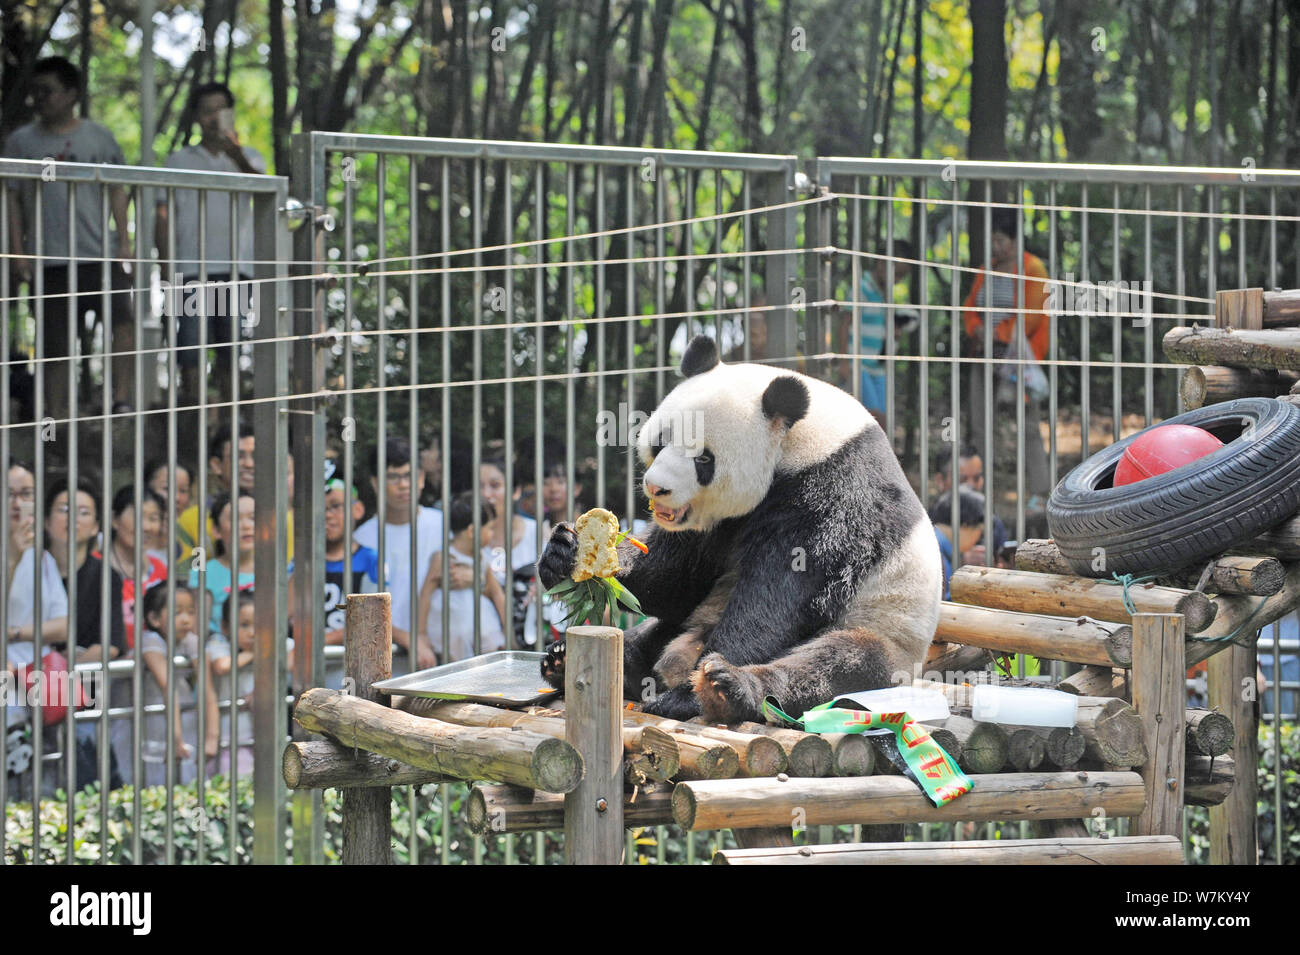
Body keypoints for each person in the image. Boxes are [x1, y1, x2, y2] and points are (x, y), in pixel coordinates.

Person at [3, 57, 135, 422]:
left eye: (47, 91)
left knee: (123, 323)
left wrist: (124, 244)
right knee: (55, 343)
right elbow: (11, 198)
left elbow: (117, 189)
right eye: (35, 91)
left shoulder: (98, 136)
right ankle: (55, 415)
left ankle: (120, 401)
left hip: (99, 254)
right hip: (49, 257)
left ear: (71, 94)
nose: (39, 99)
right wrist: (17, 252)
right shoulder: (21, 141)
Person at [155, 82, 267, 412]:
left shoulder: (252, 158)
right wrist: (164, 267)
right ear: (196, 117)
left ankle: (230, 421)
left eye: (221, 110)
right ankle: (197, 417)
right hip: (190, 269)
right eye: (207, 110)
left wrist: (237, 155)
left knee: (231, 348)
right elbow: (163, 216)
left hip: (238, 269)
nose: (214, 118)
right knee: (190, 347)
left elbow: (265, 199)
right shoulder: (178, 161)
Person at [962, 208, 1052, 503]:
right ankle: (981, 487)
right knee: (980, 422)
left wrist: (996, 334)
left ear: (1014, 241)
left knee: (1026, 424)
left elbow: (1032, 317)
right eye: (992, 240)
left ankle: (1039, 492)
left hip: (1016, 359)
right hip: (983, 356)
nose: (995, 246)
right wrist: (976, 329)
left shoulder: (1033, 268)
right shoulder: (987, 267)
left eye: (1000, 240)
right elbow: (969, 307)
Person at [45, 475, 127, 789]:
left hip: (85, 693)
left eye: (83, 512)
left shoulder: (104, 576)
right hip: (27, 687)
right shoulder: (28, 569)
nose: (72, 519)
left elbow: (112, 646)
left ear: (96, 526)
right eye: (63, 509)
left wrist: (63, 665)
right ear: (46, 519)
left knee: (89, 781)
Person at [355, 437, 444, 670]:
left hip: (439, 658)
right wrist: (406, 637)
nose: (404, 484)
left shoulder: (445, 528)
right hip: (383, 660)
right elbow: (360, 611)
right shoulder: (362, 539)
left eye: (409, 475)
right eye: (393, 477)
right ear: (375, 483)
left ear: (421, 478)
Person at [416, 492, 507, 662]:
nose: (493, 533)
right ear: (472, 531)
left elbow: (497, 594)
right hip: (451, 636)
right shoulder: (442, 558)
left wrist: (507, 631)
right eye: (490, 528)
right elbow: (425, 594)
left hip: (483, 634)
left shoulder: (482, 558)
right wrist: (420, 633)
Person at [129, 581, 201, 787]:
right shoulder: (149, 640)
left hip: (179, 717)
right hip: (153, 721)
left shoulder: (190, 640)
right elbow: (167, 685)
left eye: (191, 612)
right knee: (154, 781)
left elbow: (206, 685)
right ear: (153, 618)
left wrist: (211, 736)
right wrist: (176, 738)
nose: (186, 619)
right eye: (177, 613)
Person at [841, 242, 916, 423]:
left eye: (902, 276)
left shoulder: (884, 294)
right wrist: (843, 361)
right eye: (897, 274)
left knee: (884, 420)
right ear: (882, 264)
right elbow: (844, 324)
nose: (898, 279)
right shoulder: (862, 288)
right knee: (874, 418)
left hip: (877, 366)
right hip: (858, 363)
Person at [322, 477, 381, 688]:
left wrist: (319, 640)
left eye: (336, 506)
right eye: (321, 508)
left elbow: (372, 621)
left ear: (357, 510)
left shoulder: (370, 560)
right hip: (306, 670)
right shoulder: (303, 561)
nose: (328, 514)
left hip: (352, 671)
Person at [480, 456, 538, 648]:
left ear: (516, 491)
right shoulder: (461, 539)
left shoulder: (539, 534)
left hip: (530, 647)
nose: (486, 494)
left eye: (495, 486)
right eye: (479, 486)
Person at [101, 485, 169, 650]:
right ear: (114, 520)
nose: (146, 526)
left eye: (153, 518)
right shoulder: (95, 568)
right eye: (138, 516)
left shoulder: (162, 570)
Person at [189, 491, 255, 637]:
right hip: (220, 652)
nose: (246, 526)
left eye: (253, 518)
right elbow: (197, 633)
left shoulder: (275, 571)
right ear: (216, 530)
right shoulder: (202, 573)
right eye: (235, 518)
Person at [932, 443, 1008, 565]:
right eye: (962, 480)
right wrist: (960, 561)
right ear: (940, 481)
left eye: (977, 478)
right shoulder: (926, 525)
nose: (970, 485)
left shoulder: (991, 521)